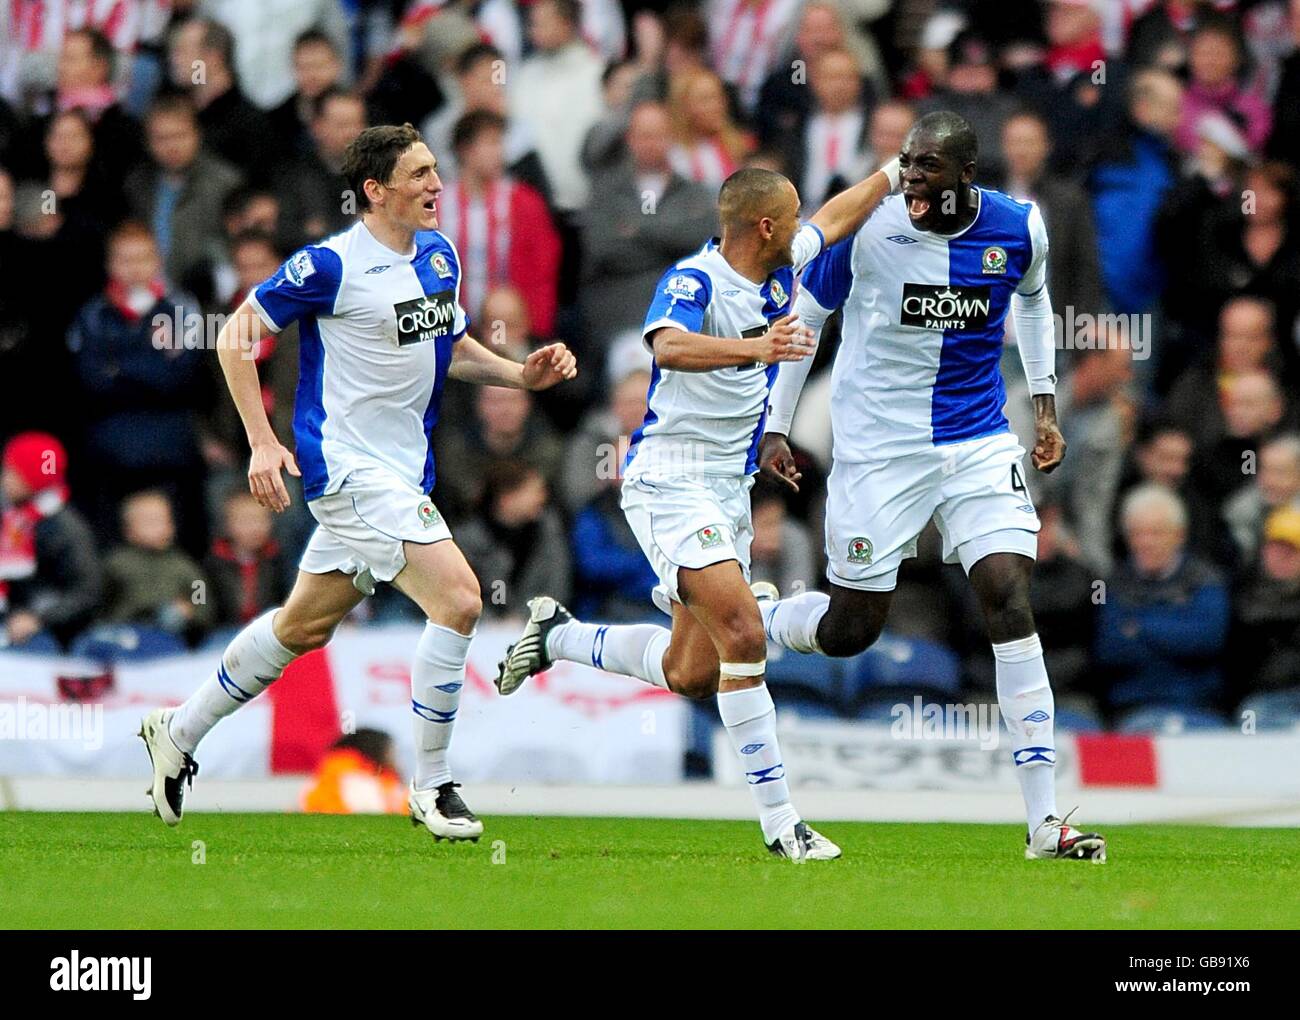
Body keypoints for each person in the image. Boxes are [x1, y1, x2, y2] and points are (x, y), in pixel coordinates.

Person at [139, 123, 577, 842]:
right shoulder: (329, 266)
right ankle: (432, 786)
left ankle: (177, 733)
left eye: (436, 170)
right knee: (462, 599)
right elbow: (234, 337)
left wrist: (516, 372)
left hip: (402, 473)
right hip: (345, 470)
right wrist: (260, 442)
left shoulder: (439, 254)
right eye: (420, 175)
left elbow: (450, 343)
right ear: (376, 191)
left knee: (301, 628)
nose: (437, 185)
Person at [500, 160, 901, 862]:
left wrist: (892, 175)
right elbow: (668, 346)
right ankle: (783, 826)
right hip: (670, 480)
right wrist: (759, 348)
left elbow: (834, 220)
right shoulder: (695, 280)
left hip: (728, 485)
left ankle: (557, 637)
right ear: (765, 225)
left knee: (694, 673)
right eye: (792, 211)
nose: (804, 220)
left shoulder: (780, 265)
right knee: (744, 634)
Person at [755, 111, 1107, 862]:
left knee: (1008, 593)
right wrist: (776, 423)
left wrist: (1043, 402)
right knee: (852, 630)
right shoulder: (868, 228)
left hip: (977, 438)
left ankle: (1045, 823)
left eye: (926, 169)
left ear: (965, 175)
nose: (909, 179)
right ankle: (768, 615)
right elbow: (807, 316)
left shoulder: (1019, 227)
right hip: (877, 447)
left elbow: (1037, 300)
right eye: (906, 164)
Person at [0, 432, 102, 649]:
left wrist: (38, 619)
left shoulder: (66, 530)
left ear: (33, 479)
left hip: (51, 632)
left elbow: (86, 591)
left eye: (12, 472)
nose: (4, 478)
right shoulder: (8, 513)